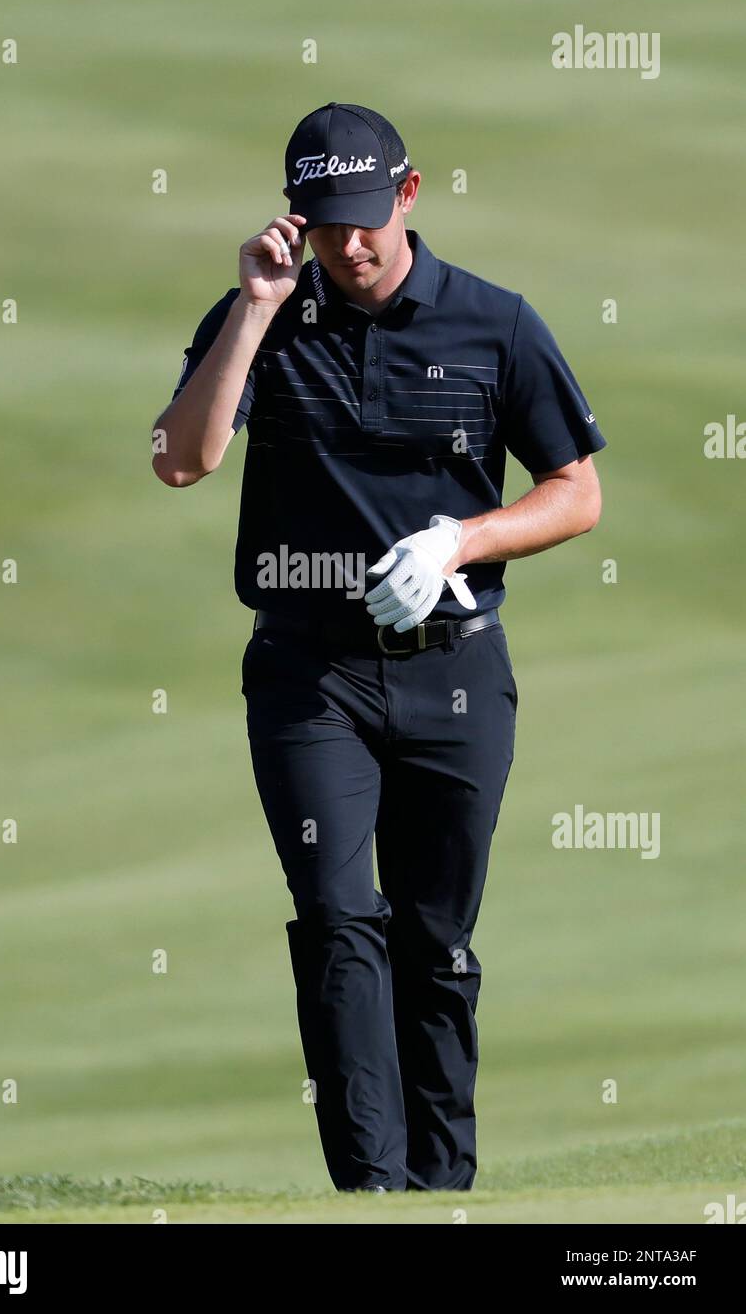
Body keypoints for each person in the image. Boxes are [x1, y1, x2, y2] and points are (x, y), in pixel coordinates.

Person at [152, 102, 606, 1192]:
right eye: (322, 225)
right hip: (311, 675)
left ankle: (444, 1193)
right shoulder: (261, 311)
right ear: (294, 218)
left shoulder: (494, 323)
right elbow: (181, 457)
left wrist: (465, 534)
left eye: (364, 220)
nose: (347, 247)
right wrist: (258, 309)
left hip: (457, 672)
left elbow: (576, 493)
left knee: (435, 941)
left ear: (408, 195)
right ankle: (373, 1195)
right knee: (338, 915)